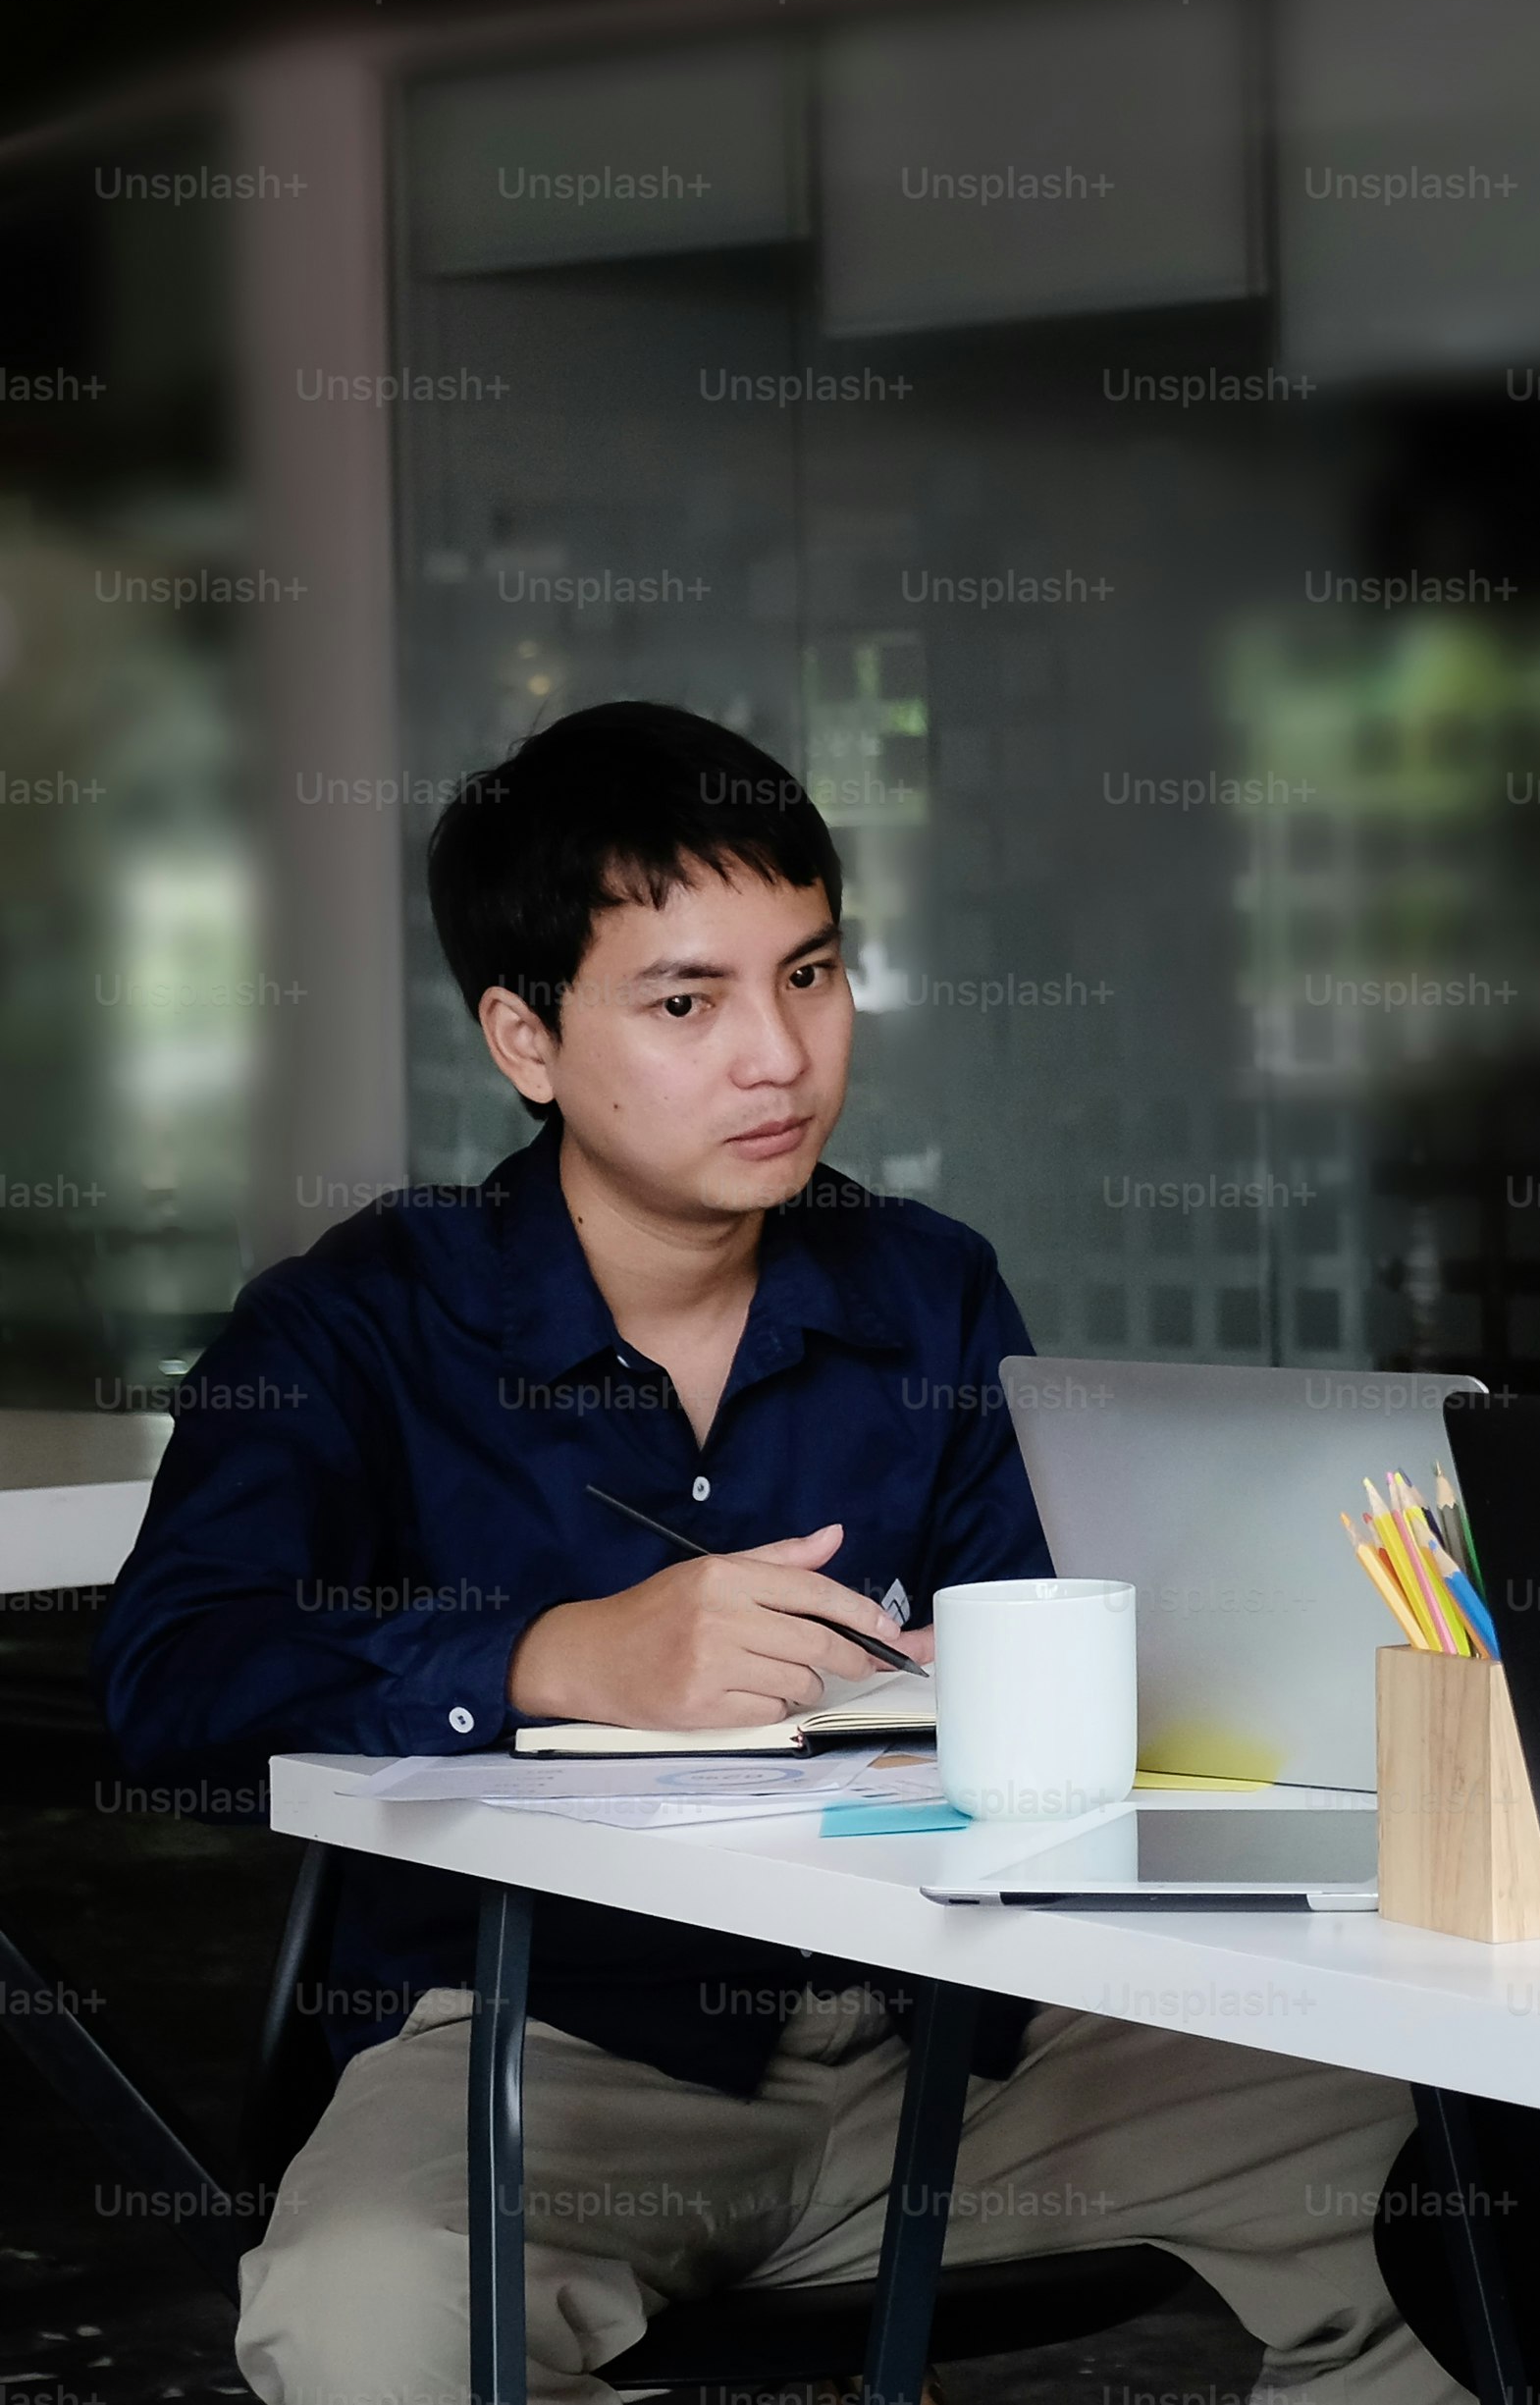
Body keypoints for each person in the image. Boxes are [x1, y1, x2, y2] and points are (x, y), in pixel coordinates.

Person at [97, 703, 1461, 2405]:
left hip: (969, 2031)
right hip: (561, 2052)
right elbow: (173, 1674)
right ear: (524, 1039)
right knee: (372, 2320)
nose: (779, 1055)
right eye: (689, 1001)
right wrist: (548, 1660)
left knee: (1477, 2199)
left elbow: (1042, 1649)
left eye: (809, 977)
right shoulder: (355, 1324)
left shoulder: (924, 1289)